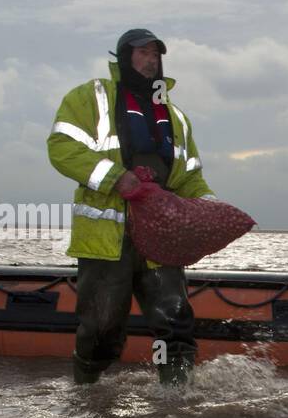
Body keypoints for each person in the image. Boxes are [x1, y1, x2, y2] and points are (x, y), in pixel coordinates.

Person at [47, 28, 216, 386]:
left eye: (156, 54)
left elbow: (189, 176)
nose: (151, 60)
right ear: (124, 56)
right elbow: (61, 148)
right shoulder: (89, 98)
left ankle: (176, 399)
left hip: (160, 239)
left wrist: (209, 206)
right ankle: (87, 394)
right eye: (143, 52)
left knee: (174, 321)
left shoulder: (176, 118)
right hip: (108, 240)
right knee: (102, 327)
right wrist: (115, 178)